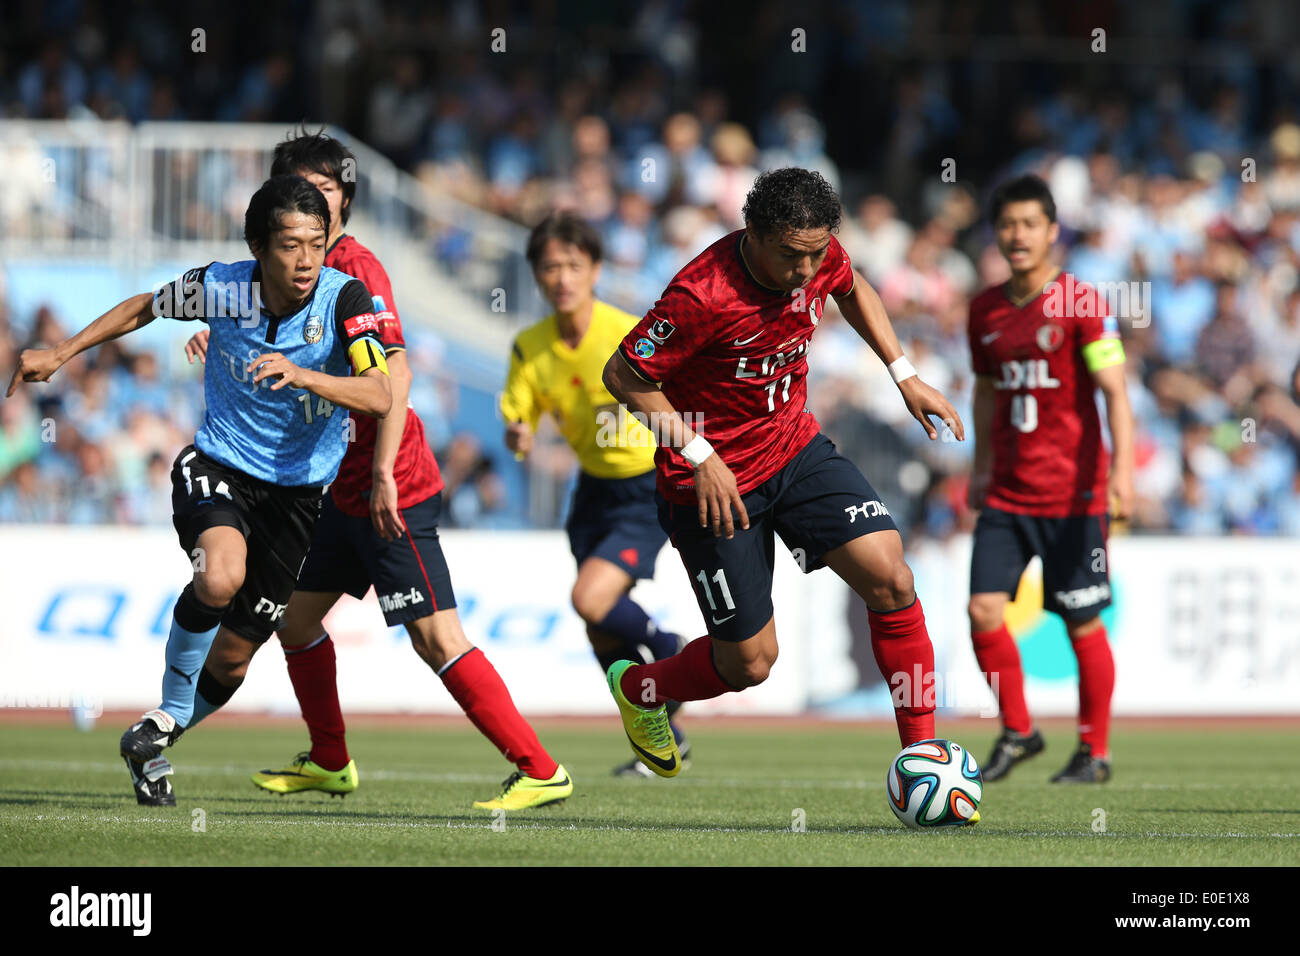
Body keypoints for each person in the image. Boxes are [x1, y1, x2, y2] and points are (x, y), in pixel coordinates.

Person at [182, 129, 571, 811]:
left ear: (347, 203)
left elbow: (397, 372)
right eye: (308, 192)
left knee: (435, 636)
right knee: (295, 621)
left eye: (331, 193)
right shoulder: (277, 274)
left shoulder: (357, 269)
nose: (320, 206)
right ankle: (331, 760)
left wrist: (387, 470)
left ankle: (540, 769)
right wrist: (220, 334)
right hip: (334, 488)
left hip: (393, 484)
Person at [8, 173, 393, 805]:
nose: (305, 261)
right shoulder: (223, 288)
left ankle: (154, 737)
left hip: (297, 499)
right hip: (218, 464)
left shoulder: (345, 299)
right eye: (290, 245)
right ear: (258, 247)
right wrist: (63, 351)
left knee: (235, 660)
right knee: (219, 577)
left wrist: (306, 376)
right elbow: (144, 305)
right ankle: (167, 709)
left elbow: (379, 393)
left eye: (317, 244)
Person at [600, 168, 967, 797]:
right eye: (792, 255)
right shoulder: (701, 294)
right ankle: (642, 689)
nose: (806, 270)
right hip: (712, 486)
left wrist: (903, 373)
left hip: (794, 448)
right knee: (749, 664)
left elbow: (854, 288)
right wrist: (695, 451)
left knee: (890, 572)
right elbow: (624, 376)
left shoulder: (819, 253)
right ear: (754, 233)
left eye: (816, 254)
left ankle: (923, 754)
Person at [500, 212, 691, 777]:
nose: (562, 277)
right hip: (591, 494)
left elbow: (675, 394)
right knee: (599, 624)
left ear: (596, 270)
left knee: (590, 599)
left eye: (573, 265)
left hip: (644, 486)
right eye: (550, 267)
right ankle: (664, 736)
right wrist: (519, 431)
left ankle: (670, 645)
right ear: (536, 275)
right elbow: (518, 410)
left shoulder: (628, 332)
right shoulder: (529, 347)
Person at [966, 174, 1134, 783]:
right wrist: (980, 466)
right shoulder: (982, 309)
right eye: (1008, 224)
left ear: (1052, 232)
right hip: (1009, 494)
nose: (1018, 235)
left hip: (1074, 496)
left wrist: (1121, 474)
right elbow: (986, 393)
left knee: (1081, 620)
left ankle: (1095, 751)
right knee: (983, 610)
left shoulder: (1083, 304)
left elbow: (1115, 391)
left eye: (1030, 224)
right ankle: (1018, 732)